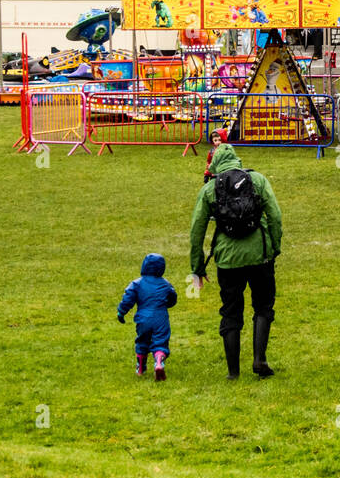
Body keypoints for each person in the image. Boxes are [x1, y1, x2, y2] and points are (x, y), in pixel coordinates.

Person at [188, 143, 283, 379]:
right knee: (263, 305)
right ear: (237, 161)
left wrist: (197, 267)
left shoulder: (210, 189)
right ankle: (259, 359)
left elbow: (196, 231)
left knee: (230, 311)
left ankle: (233, 372)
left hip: (227, 259)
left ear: (215, 166)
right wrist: (274, 247)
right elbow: (275, 216)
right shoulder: (258, 180)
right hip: (259, 254)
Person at [117, 253, 178, 381]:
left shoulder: (137, 284)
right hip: (161, 318)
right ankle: (159, 363)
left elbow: (128, 298)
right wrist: (167, 304)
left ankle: (140, 368)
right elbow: (173, 297)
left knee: (142, 341)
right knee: (160, 342)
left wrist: (121, 312)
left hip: (143, 318)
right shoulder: (166, 284)